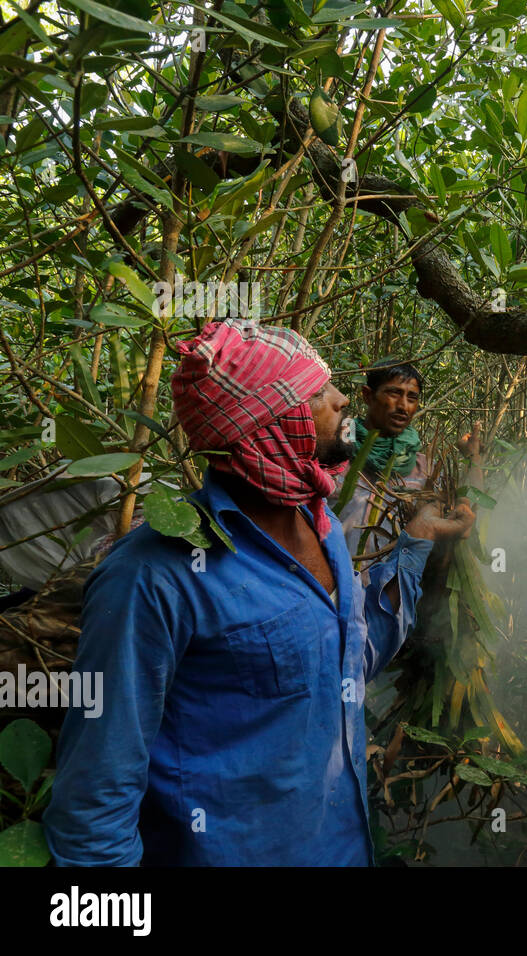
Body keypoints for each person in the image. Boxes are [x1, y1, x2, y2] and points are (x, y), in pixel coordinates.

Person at [42, 320, 473, 866]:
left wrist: (414, 545)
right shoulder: (152, 577)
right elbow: (94, 804)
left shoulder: (321, 529)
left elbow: (345, 665)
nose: (342, 400)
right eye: (318, 393)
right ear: (272, 423)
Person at [331, 360, 479, 579]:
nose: (403, 406)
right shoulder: (335, 454)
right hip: (332, 592)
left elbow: (465, 517)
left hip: (392, 597)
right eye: (394, 393)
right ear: (367, 395)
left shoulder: (424, 470)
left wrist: (473, 457)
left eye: (412, 398)